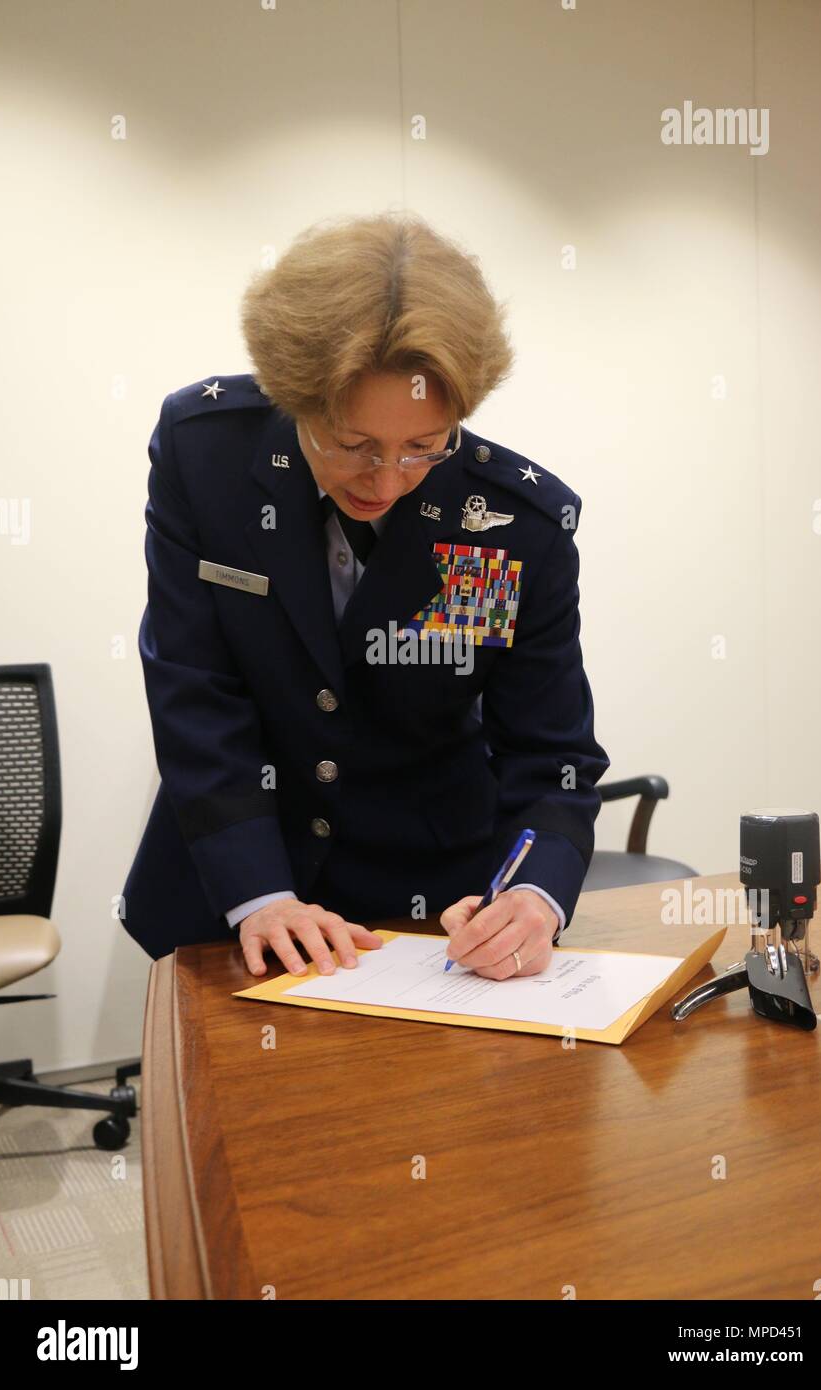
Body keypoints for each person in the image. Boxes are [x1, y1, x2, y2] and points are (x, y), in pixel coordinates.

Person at [121, 212, 609, 980]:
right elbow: (195, 691)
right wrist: (262, 895)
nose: (386, 482)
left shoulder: (512, 528)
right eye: (353, 445)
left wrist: (533, 894)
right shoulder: (204, 453)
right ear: (294, 396)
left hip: (425, 917)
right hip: (232, 894)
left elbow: (551, 758)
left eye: (424, 447)